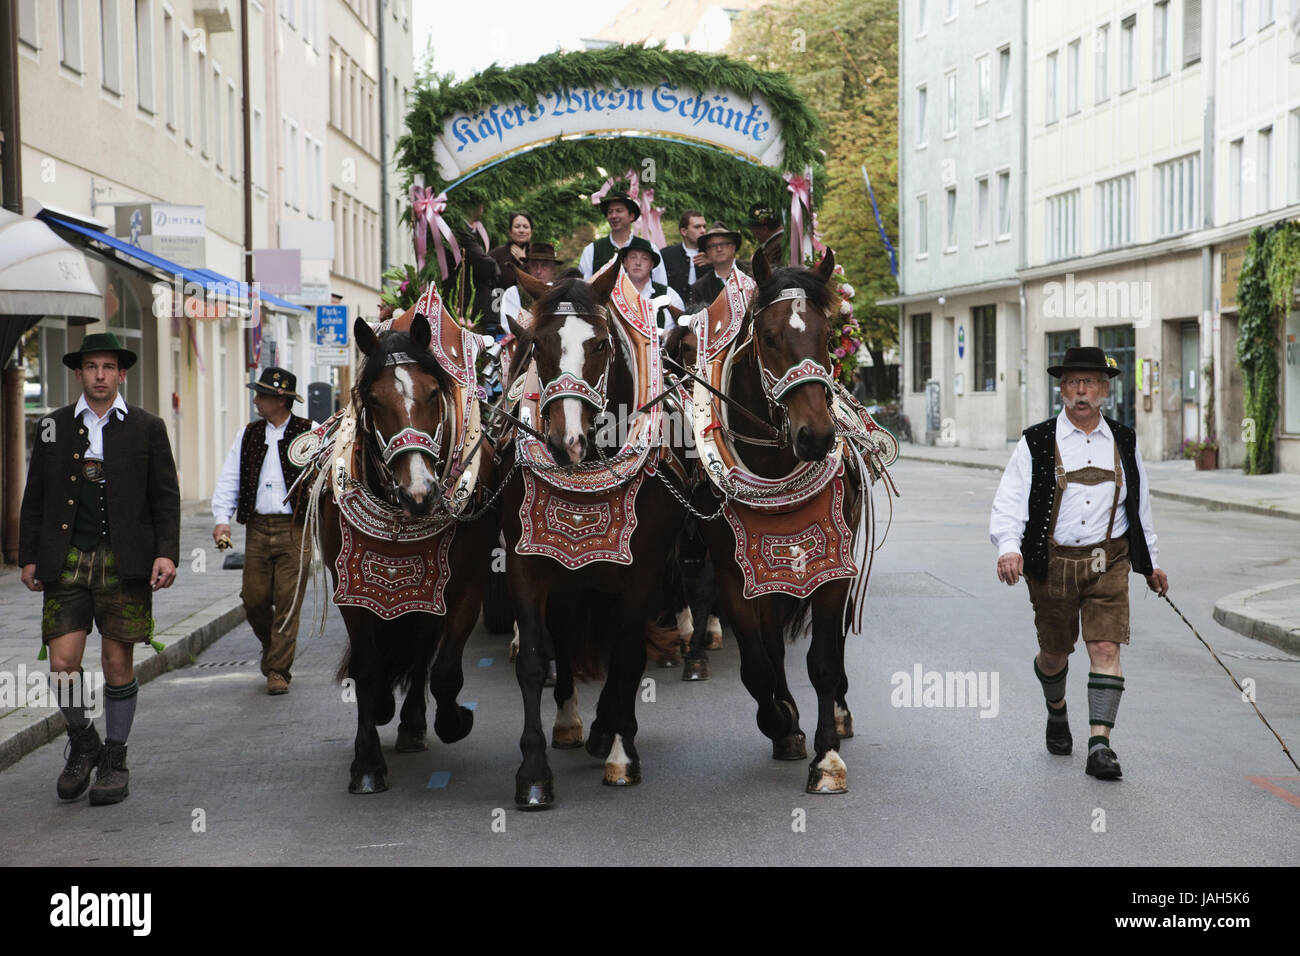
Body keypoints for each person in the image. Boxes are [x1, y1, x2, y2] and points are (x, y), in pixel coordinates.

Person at [989, 346, 1169, 781]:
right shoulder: (1035, 441)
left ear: (1105, 391)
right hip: (1053, 564)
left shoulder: (1124, 439)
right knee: (1054, 653)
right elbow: (1010, 501)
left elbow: (1139, 507)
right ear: (1062, 389)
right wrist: (1008, 547)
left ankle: (1100, 744)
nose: (1081, 390)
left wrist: (1152, 563)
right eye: (1073, 382)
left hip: (1110, 560)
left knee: (1105, 648)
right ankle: (1056, 711)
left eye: (1089, 382)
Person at [19, 332, 180, 806]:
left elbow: (165, 497)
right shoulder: (53, 426)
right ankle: (83, 739)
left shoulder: (147, 427)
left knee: (117, 663)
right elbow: (35, 498)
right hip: (66, 561)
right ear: (79, 373)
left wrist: (166, 552)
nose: (100, 376)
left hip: (125, 562)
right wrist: (29, 554)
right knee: (63, 662)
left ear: (122, 373)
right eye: (92, 367)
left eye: (109, 367)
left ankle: (115, 756)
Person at [211, 368, 315, 696]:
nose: (256, 400)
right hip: (256, 527)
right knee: (253, 600)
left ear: (281, 400)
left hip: (295, 528)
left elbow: (326, 477)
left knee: (287, 601)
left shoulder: (309, 432)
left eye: (263, 395)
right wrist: (221, 519)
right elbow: (230, 477)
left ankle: (278, 669)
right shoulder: (249, 434)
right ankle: (274, 649)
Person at [579, 191, 668, 287]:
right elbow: (582, 287)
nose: (613, 216)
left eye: (619, 211)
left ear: (631, 216)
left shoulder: (650, 248)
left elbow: (661, 286)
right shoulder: (592, 250)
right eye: (610, 212)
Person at [619, 236, 683, 335]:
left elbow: (681, 331)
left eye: (644, 258)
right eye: (633, 257)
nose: (638, 263)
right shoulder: (613, 293)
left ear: (652, 264)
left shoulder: (669, 295)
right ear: (625, 262)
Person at [498, 242, 562, 335]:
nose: (539, 271)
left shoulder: (561, 293)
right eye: (534, 265)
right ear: (528, 267)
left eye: (544, 265)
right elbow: (509, 326)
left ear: (553, 269)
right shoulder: (514, 292)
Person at [688, 222, 744, 309]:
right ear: (706, 252)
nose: (719, 249)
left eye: (724, 244)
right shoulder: (699, 288)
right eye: (713, 246)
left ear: (734, 247)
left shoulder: (752, 272)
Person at [660, 210, 708, 304]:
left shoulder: (712, 256)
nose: (703, 231)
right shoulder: (666, 255)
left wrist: (713, 261)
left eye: (704, 226)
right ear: (684, 231)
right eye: (697, 227)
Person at [489, 211, 534, 289]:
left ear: (531, 232)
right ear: (510, 232)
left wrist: (523, 262)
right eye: (517, 226)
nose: (521, 230)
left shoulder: (537, 254)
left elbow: (538, 284)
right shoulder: (496, 255)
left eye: (526, 227)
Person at [746, 202, 786, 270]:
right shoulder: (780, 243)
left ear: (764, 229)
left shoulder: (778, 249)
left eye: (752, 228)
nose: (752, 233)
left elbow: (774, 277)